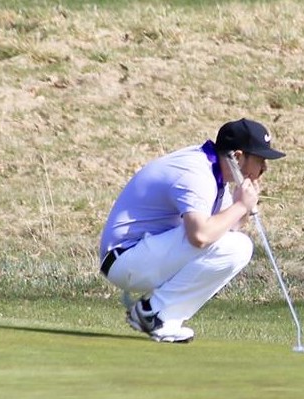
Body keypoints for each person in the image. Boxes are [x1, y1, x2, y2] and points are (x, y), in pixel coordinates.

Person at [98, 118, 286, 343]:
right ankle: (154, 313)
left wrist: (241, 207)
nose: (264, 168)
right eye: (260, 159)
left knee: (236, 244)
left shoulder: (214, 172)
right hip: (124, 259)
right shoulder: (196, 173)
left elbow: (228, 226)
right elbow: (200, 236)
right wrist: (240, 206)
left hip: (141, 255)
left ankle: (159, 315)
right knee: (237, 245)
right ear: (237, 156)